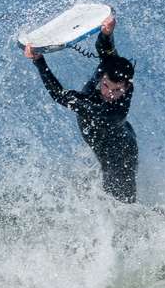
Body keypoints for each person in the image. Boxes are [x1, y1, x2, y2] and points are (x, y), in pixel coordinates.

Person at [23, 14, 138, 203]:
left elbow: (59, 94)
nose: (109, 93)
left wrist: (39, 60)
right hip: (124, 131)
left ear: (127, 86)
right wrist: (107, 33)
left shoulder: (101, 110)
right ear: (103, 77)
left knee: (122, 205)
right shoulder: (113, 70)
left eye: (117, 90)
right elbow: (106, 51)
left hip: (119, 154)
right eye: (106, 86)